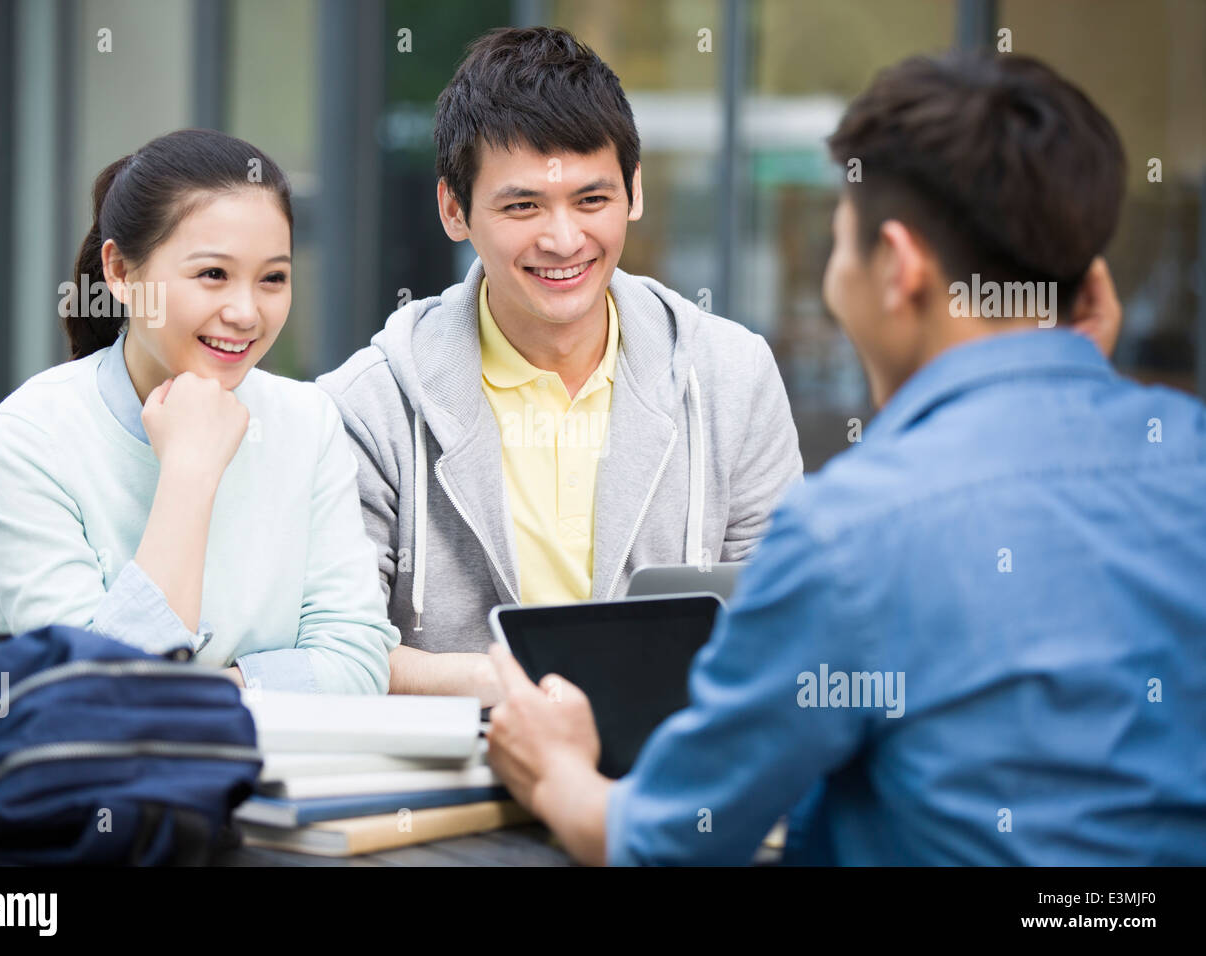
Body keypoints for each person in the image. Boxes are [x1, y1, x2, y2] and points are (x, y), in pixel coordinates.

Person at [484, 51, 1206, 865]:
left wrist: (559, 771)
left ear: (897, 266)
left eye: (837, 243)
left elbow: (664, 844)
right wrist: (1065, 378)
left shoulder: (851, 533)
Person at [316, 27, 803, 704]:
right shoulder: (367, 407)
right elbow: (339, 652)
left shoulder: (731, 377)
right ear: (453, 209)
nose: (565, 239)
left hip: (665, 781)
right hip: (456, 790)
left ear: (633, 191)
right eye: (523, 206)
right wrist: (528, 686)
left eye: (591, 200)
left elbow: (784, 624)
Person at [0, 129, 398, 694]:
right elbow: (97, 697)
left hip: (284, 772)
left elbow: (357, 661)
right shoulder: (27, 439)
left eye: (273, 278)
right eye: (212, 274)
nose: (246, 313)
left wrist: (203, 694)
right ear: (120, 274)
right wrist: (189, 474)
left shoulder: (307, 420)